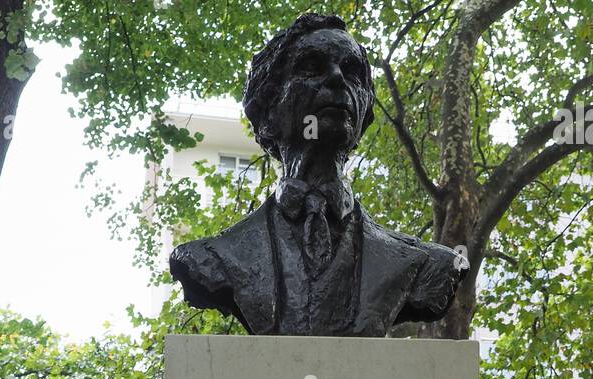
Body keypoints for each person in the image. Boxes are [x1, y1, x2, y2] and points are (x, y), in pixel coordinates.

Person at [169, 13, 463, 337]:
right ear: (268, 113)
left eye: (352, 72)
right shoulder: (212, 259)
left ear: (363, 113)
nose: (337, 79)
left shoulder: (425, 264)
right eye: (311, 67)